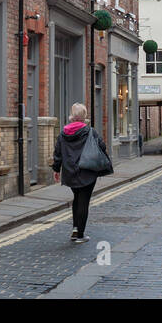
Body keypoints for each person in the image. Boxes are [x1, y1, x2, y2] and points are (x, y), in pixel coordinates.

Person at [52, 102, 110, 243]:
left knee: (77, 199)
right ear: (84, 117)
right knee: (83, 201)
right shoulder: (90, 132)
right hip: (87, 172)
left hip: (70, 172)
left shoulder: (63, 134)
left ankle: (75, 229)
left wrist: (56, 169)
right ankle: (80, 235)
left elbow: (58, 153)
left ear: (72, 116)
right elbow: (102, 146)